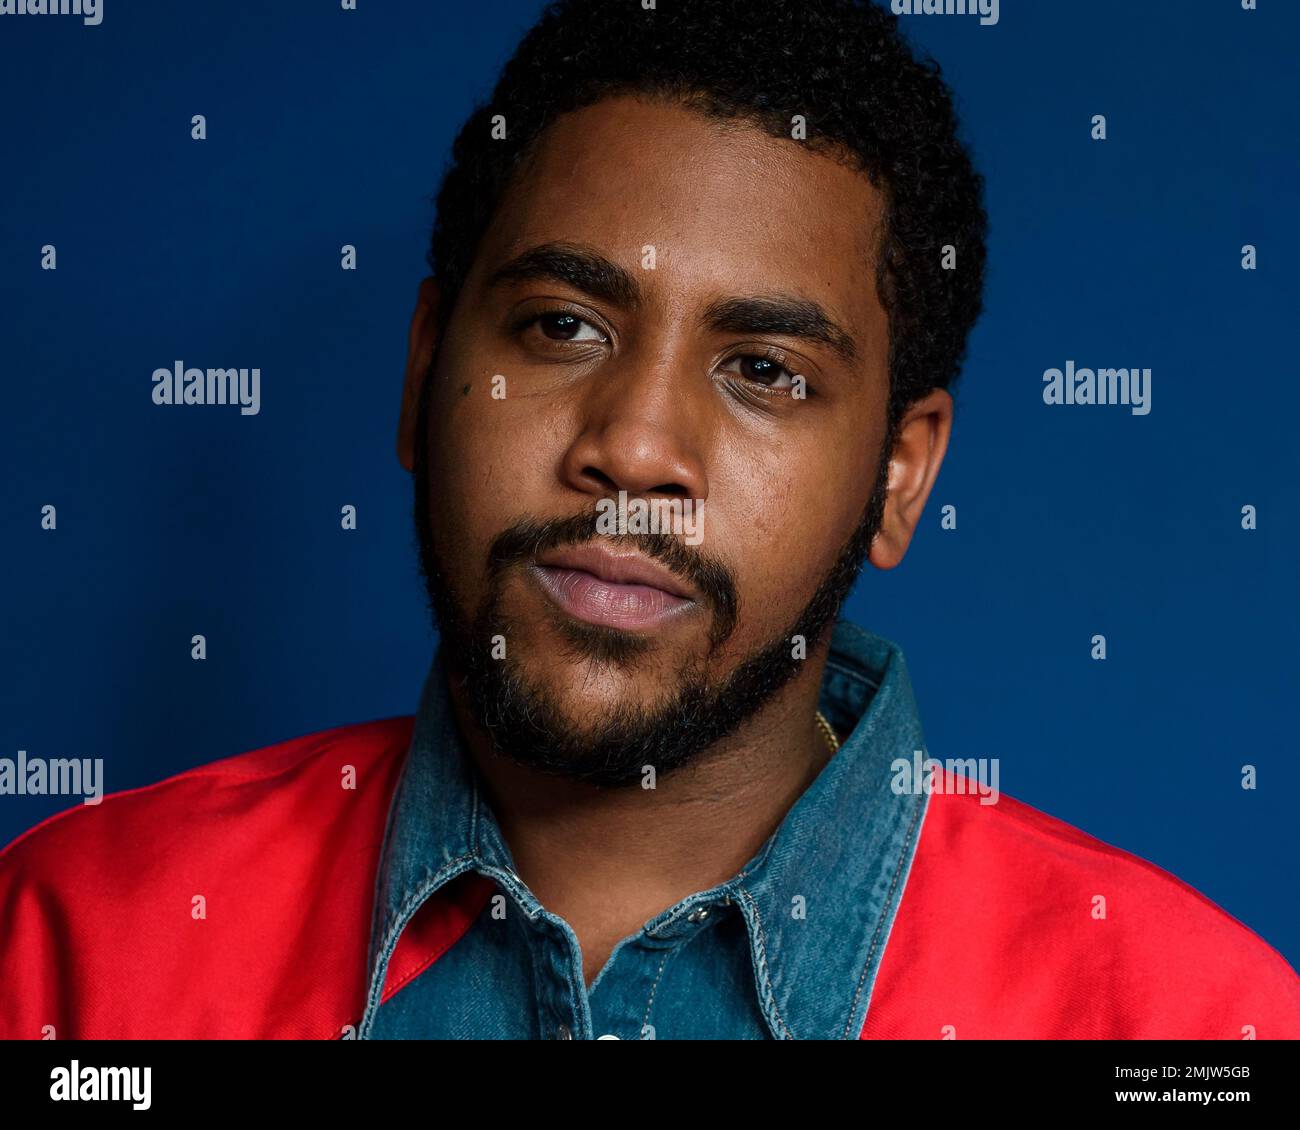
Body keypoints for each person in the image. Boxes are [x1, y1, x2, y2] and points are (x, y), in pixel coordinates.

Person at [2, 0, 1296, 1040]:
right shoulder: (75, 949)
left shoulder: (1190, 1020)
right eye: (562, 327)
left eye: (765, 370)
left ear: (900, 478)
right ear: (423, 374)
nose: (632, 448)